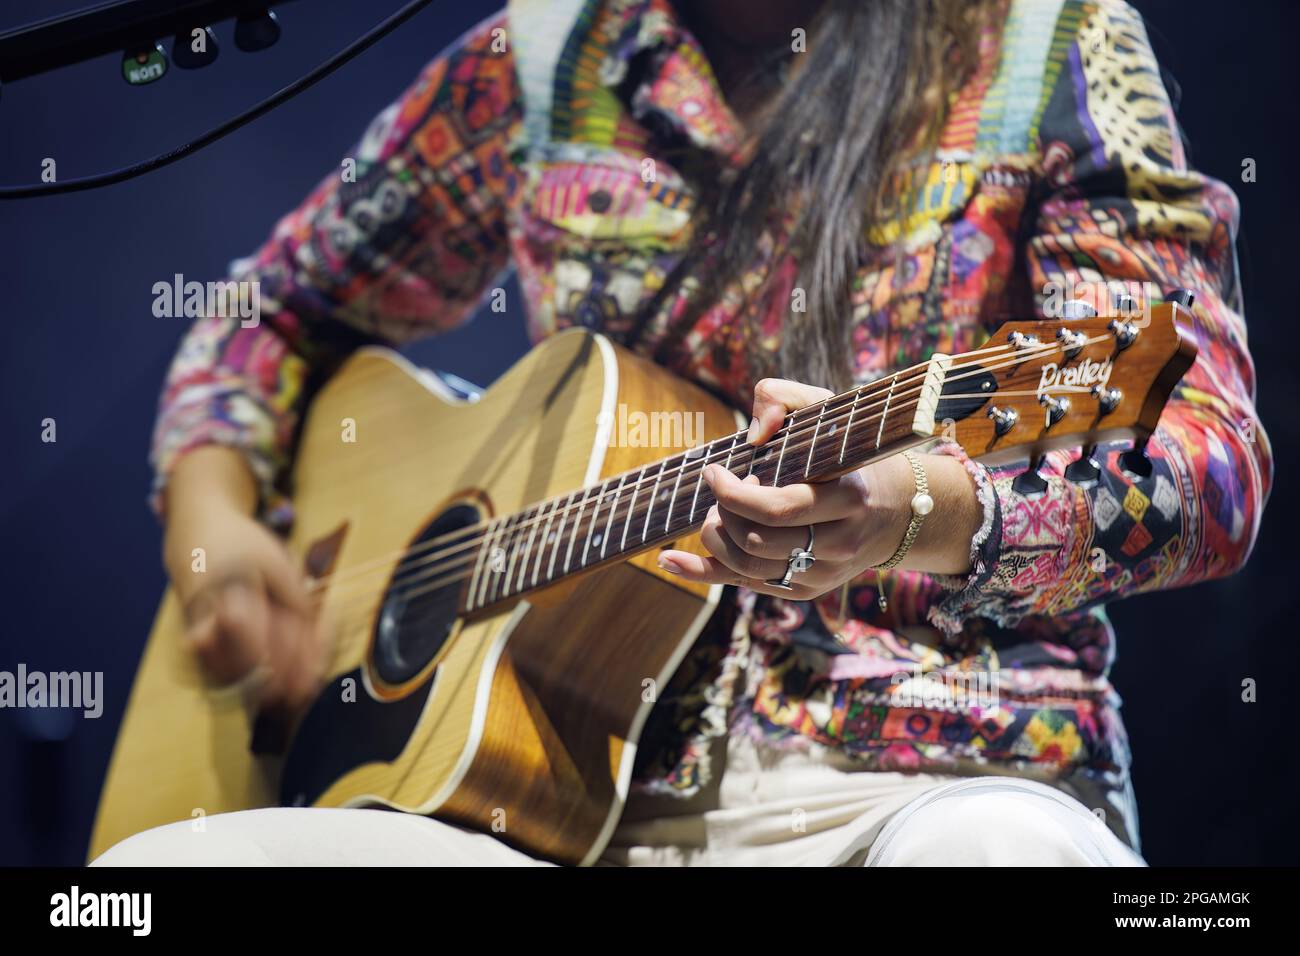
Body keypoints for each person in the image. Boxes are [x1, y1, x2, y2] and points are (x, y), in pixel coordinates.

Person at [93, 0, 1271, 866]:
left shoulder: (1044, 44)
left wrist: (928, 508)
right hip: (550, 805)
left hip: (938, 773)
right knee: (153, 878)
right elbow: (273, 308)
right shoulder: (552, 55)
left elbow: (1200, 460)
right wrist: (215, 517)